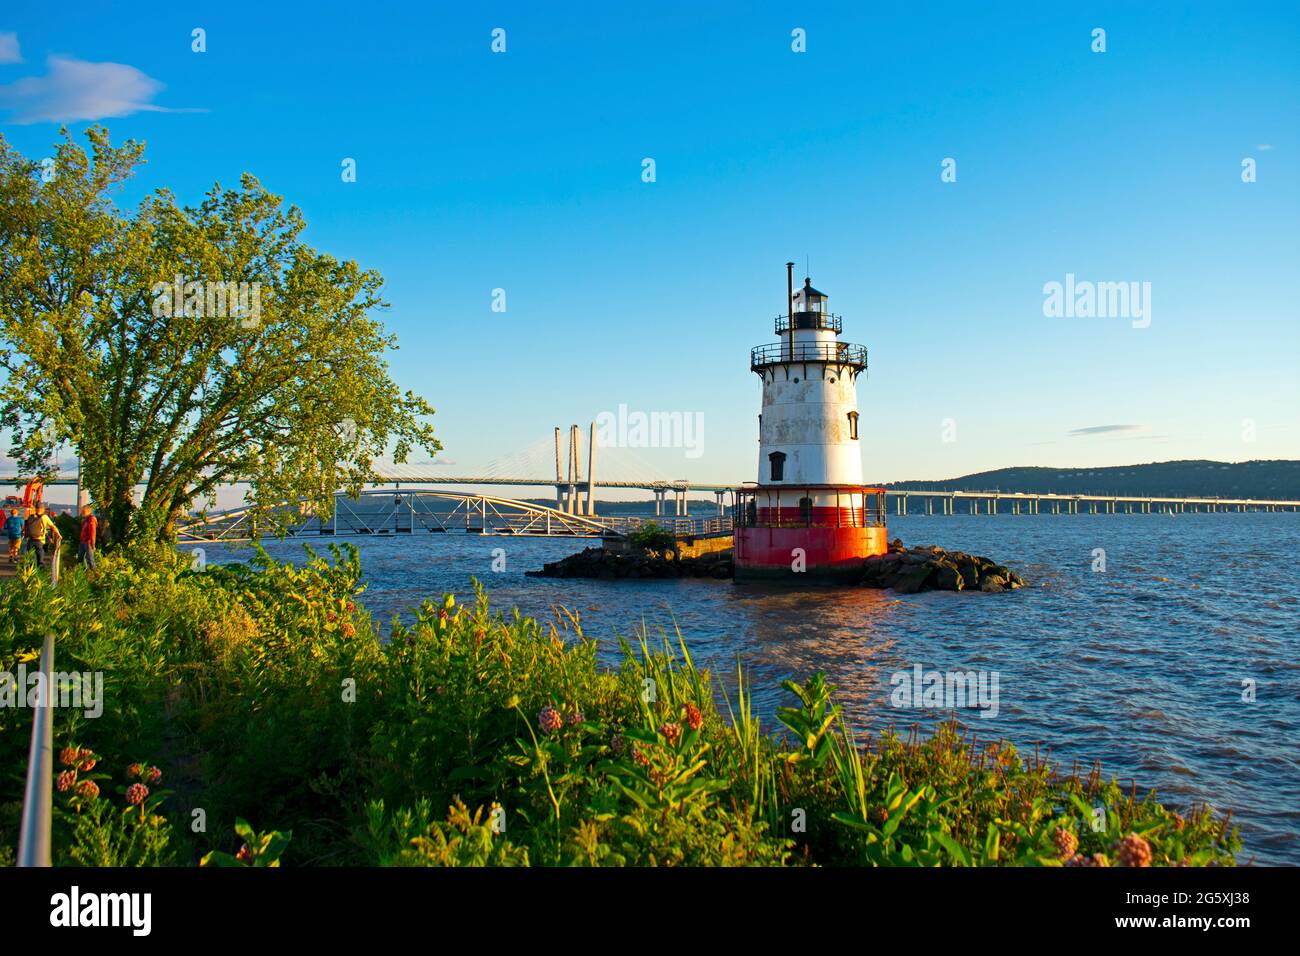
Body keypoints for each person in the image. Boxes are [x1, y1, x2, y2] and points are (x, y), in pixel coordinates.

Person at [78, 504, 98, 573]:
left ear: (88, 511)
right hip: (83, 541)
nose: (82, 513)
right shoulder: (85, 520)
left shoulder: (91, 520)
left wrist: (92, 544)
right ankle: (86, 572)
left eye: (84, 512)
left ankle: (95, 574)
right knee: (80, 558)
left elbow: (92, 533)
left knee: (90, 559)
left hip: (88, 541)